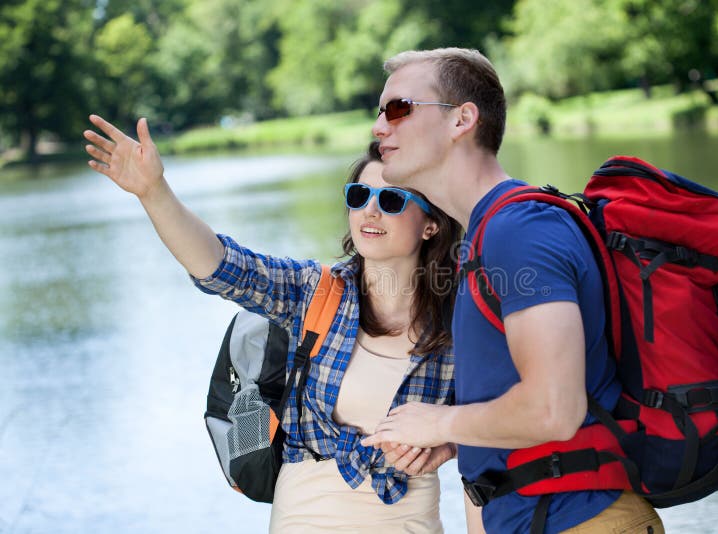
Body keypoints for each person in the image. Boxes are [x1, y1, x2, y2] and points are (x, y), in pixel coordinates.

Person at [82, 116, 464, 533]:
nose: (370, 210)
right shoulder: (313, 291)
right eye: (359, 196)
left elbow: (517, 414)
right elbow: (222, 266)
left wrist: (451, 442)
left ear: (431, 223)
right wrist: (154, 193)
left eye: (391, 200)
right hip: (304, 519)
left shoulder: (461, 319)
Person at [361, 48, 666, 533]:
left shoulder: (519, 230)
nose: (379, 127)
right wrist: (463, 442)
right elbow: (535, 402)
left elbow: (554, 409)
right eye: (380, 112)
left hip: (584, 520)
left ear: (462, 120)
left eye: (398, 108)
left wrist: (440, 423)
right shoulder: (484, 235)